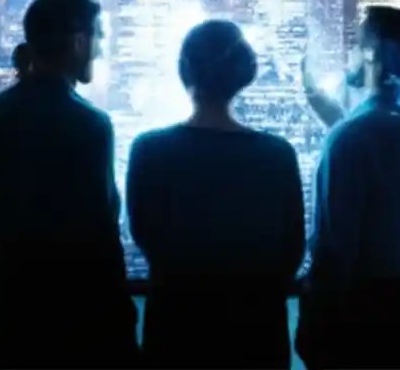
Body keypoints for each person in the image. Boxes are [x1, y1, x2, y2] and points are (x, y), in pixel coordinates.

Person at [0, 0, 138, 368]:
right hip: (79, 325)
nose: (101, 51)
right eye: (98, 38)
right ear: (78, 41)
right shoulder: (89, 123)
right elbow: (99, 234)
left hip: (11, 319)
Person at [127, 20, 304, 368]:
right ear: (245, 74)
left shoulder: (149, 150)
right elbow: (292, 249)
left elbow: (144, 234)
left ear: (183, 71)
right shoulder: (277, 154)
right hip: (256, 331)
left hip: (176, 328)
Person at [296, 6, 400, 370]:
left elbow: (335, 246)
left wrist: (316, 320)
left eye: (356, 43)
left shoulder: (351, 137)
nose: (349, 52)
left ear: (372, 52)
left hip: (361, 309)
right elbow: (389, 164)